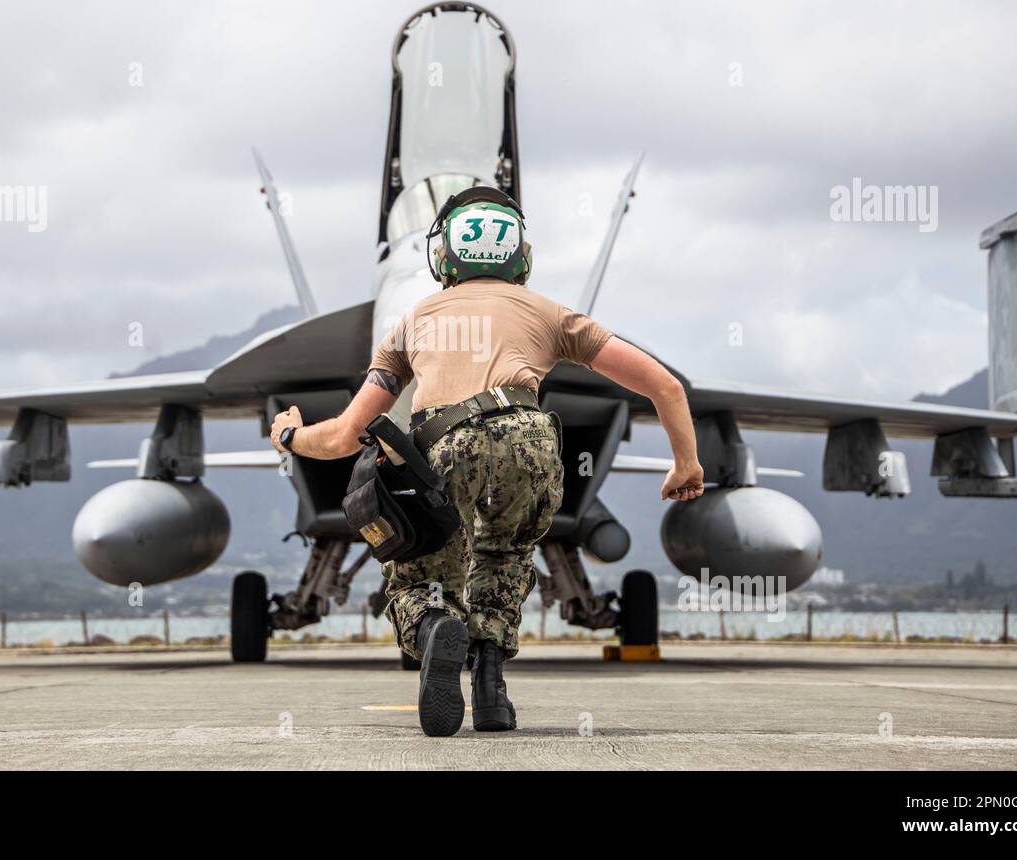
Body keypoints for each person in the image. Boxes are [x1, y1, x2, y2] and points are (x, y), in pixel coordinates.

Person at [269, 186, 703, 736]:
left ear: (443, 256)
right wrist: (685, 464)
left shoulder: (410, 323)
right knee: (505, 560)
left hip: (446, 446)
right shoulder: (552, 315)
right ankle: (492, 693)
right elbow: (665, 385)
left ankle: (433, 630)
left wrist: (289, 435)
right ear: (520, 255)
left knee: (419, 577)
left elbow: (341, 439)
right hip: (531, 443)